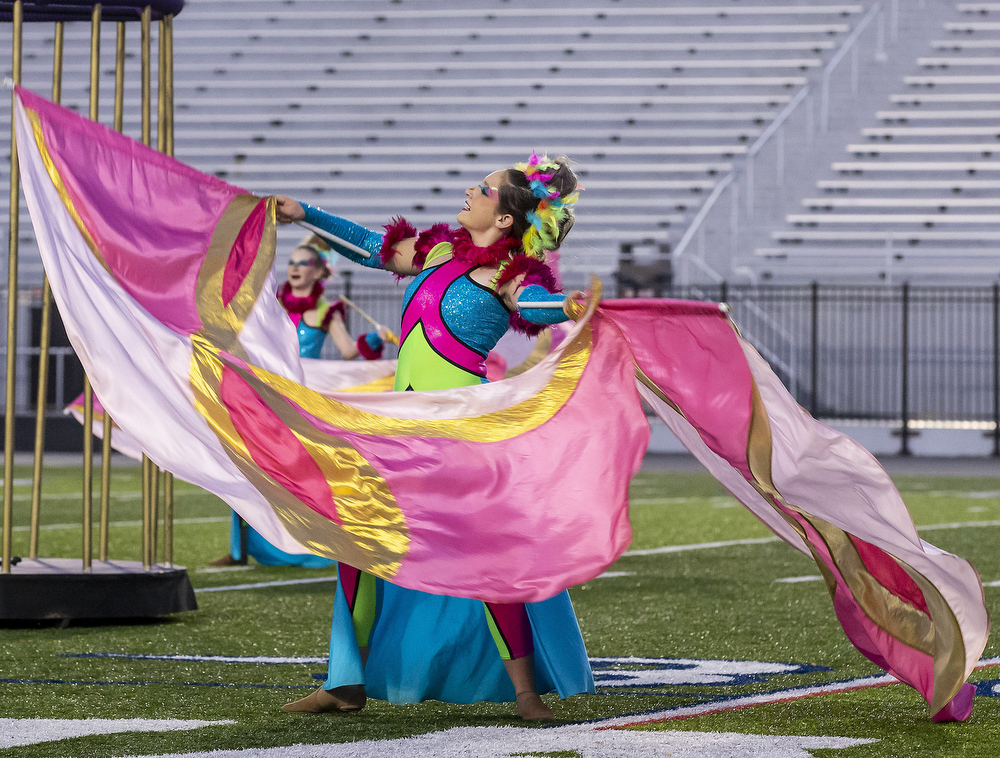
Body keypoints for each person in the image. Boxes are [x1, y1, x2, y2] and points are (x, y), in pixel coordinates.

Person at [273, 153, 593, 720]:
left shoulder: (511, 272)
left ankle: (525, 691)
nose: (470, 190)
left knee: (490, 557)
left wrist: (564, 305)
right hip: (401, 434)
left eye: (485, 190)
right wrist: (304, 213)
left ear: (503, 220)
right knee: (359, 546)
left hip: (460, 435)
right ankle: (345, 681)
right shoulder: (438, 250)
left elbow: (535, 307)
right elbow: (375, 247)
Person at [210, 235, 387, 568]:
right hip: (267, 398)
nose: (293, 268)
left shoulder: (326, 311)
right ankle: (240, 550)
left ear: (319, 272)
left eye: (302, 263)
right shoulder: (271, 307)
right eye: (290, 262)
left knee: (306, 473)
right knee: (247, 464)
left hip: (301, 402)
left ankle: (317, 543)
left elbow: (349, 352)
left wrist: (377, 337)